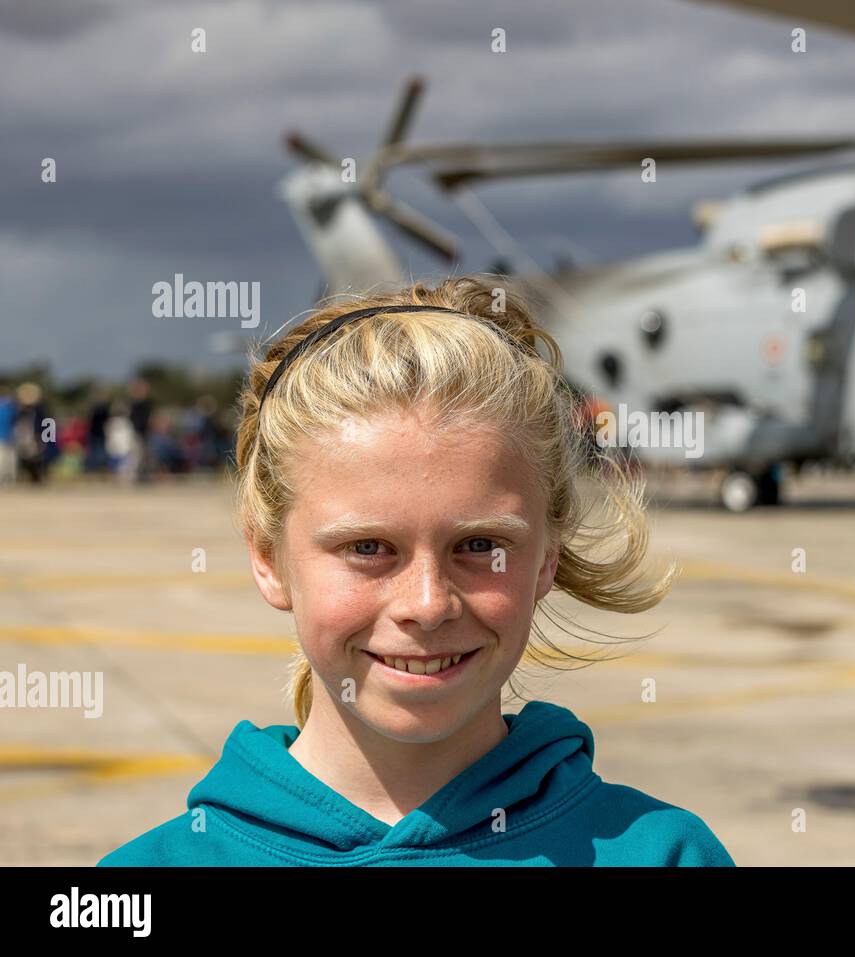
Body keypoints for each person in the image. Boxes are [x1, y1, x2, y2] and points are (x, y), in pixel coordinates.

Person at [98, 275, 734, 867]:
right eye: (369, 548)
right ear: (268, 558)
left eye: (481, 544)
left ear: (547, 557)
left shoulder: (662, 853)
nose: (429, 605)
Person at [0, 385, 17, 486]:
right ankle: (7, 481)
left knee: (9, 460)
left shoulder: (10, 407)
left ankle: (8, 481)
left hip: (9, 437)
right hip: (6, 437)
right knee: (6, 460)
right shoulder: (10, 407)